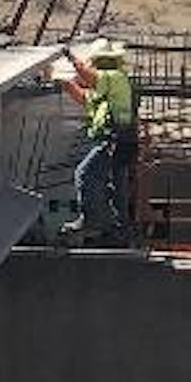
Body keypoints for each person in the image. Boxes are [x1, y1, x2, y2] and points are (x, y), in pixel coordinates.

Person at [60, 41, 135, 240]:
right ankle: (120, 230)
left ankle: (92, 221)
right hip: (120, 142)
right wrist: (62, 81)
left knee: (84, 174)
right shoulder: (108, 88)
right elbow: (85, 98)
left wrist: (70, 57)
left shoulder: (114, 78)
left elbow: (89, 77)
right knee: (115, 186)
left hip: (115, 141)